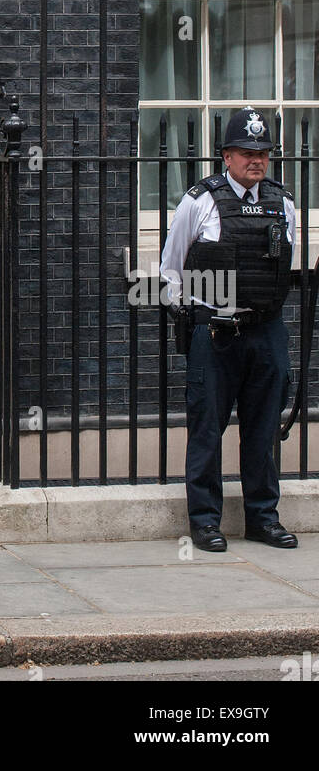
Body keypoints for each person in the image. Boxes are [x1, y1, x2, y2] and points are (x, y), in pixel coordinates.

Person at [160, 108, 297, 553]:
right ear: (226, 156)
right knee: (207, 430)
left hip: (267, 329)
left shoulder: (283, 202)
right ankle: (204, 521)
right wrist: (189, 320)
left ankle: (263, 518)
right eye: (246, 152)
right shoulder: (200, 201)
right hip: (216, 331)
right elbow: (171, 269)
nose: (256, 160)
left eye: (263, 153)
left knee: (262, 429)